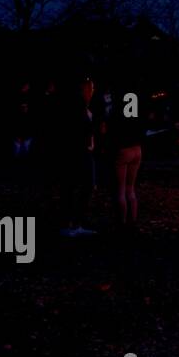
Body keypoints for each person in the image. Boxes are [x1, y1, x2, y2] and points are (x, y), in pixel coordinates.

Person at [60, 78, 98, 237]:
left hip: (81, 151)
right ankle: (75, 222)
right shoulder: (79, 109)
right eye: (92, 89)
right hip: (79, 152)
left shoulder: (84, 108)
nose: (93, 91)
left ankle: (74, 221)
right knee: (84, 186)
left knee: (79, 187)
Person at [107, 88, 145, 230]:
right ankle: (133, 221)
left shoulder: (118, 99)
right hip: (137, 147)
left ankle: (121, 223)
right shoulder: (136, 96)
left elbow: (112, 123)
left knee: (121, 190)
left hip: (123, 147)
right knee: (131, 189)